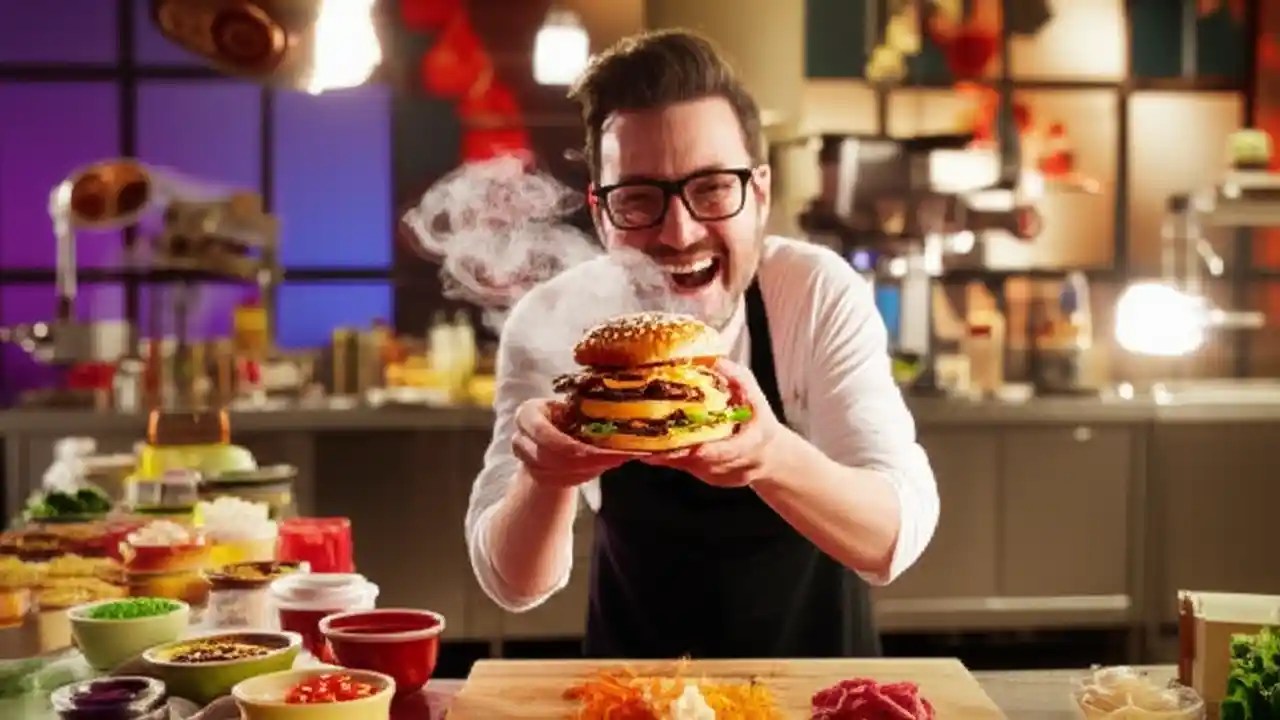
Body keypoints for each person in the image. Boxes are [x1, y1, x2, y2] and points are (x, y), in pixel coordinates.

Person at [465, 29, 939, 659]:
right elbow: (512, 583)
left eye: (713, 187)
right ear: (602, 213)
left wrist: (770, 455)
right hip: (633, 695)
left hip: (818, 692)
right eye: (638, 198)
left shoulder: (813, 293)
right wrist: (544, 476)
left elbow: (892, 539)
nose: (680, 231)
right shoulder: (555, 320)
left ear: (760, 193)